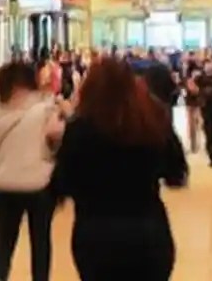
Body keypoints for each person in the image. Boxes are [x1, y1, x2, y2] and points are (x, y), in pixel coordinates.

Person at [52, 57, 188, 280]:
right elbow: (177, 174)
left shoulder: (79, 129)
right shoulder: (151, 121)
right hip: (148, 232)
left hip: (95, 236)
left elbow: (61, 185)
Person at [0, 62, 62, 281]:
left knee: (4, 241)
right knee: (41, 240)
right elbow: (57, 141)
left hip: (4, 185)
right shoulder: (46, 105)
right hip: (40, 184)